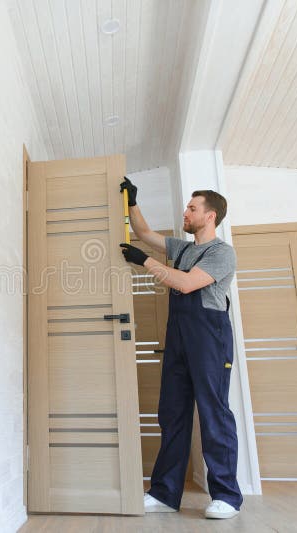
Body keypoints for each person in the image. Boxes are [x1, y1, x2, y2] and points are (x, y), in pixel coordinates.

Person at [118, 177, 242, 520]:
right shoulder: (184, 249)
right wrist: (132, 202)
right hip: (179, 339)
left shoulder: (221, 253)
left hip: (209, 340)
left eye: (192, 208)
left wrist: (145, 263)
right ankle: (164, 493)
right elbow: (144, 234)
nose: (185, 212)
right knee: (172, 414)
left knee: (214, 413)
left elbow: (186, 284)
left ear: (210, 216)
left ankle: (227, 496)